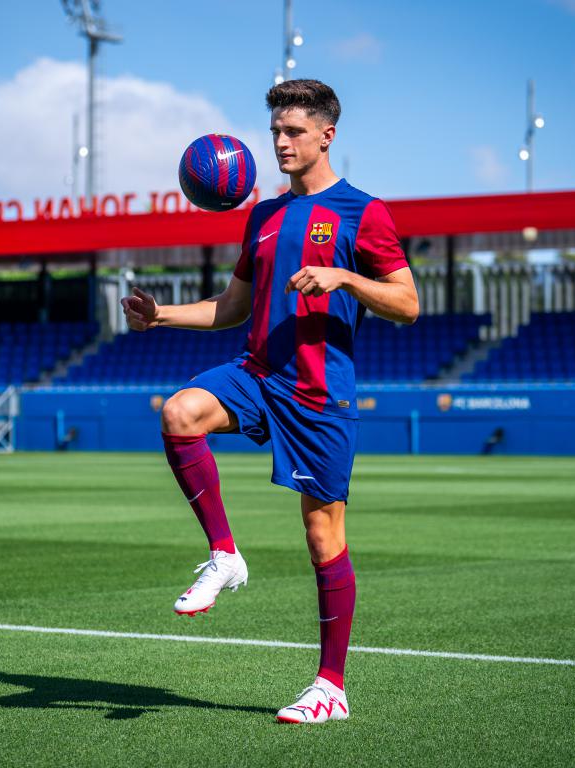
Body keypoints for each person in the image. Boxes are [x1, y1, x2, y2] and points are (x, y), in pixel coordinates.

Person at [121, 79, 419, 724]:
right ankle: (224, 555)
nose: (280, 143)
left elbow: (408, 303)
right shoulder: (262, 215)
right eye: (276, 132)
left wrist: (344, 276)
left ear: (326, 135)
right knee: (179, 413)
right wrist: (160, 315)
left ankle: (330, 687)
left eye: (293, 132)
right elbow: (232, 309)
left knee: (322, 537)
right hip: (258, 373)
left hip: (319, 395)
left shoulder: (364, 213)